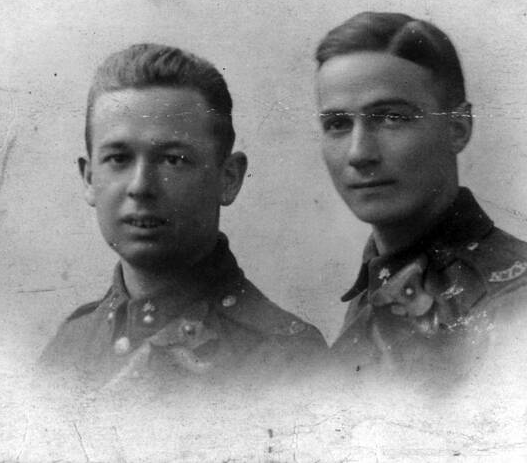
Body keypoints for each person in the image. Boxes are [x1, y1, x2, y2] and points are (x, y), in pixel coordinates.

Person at [39, 43, 326, 389]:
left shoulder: (285, 359)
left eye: (173, 160)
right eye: (118, 158)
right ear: (89, 179)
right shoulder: (71, 343)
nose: (141, 187)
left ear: (229, 178)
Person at [314, 12, 527, 382]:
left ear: (457, 128)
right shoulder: (369, 298)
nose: (358, 153)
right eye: (338, 124)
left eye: (391, 118)